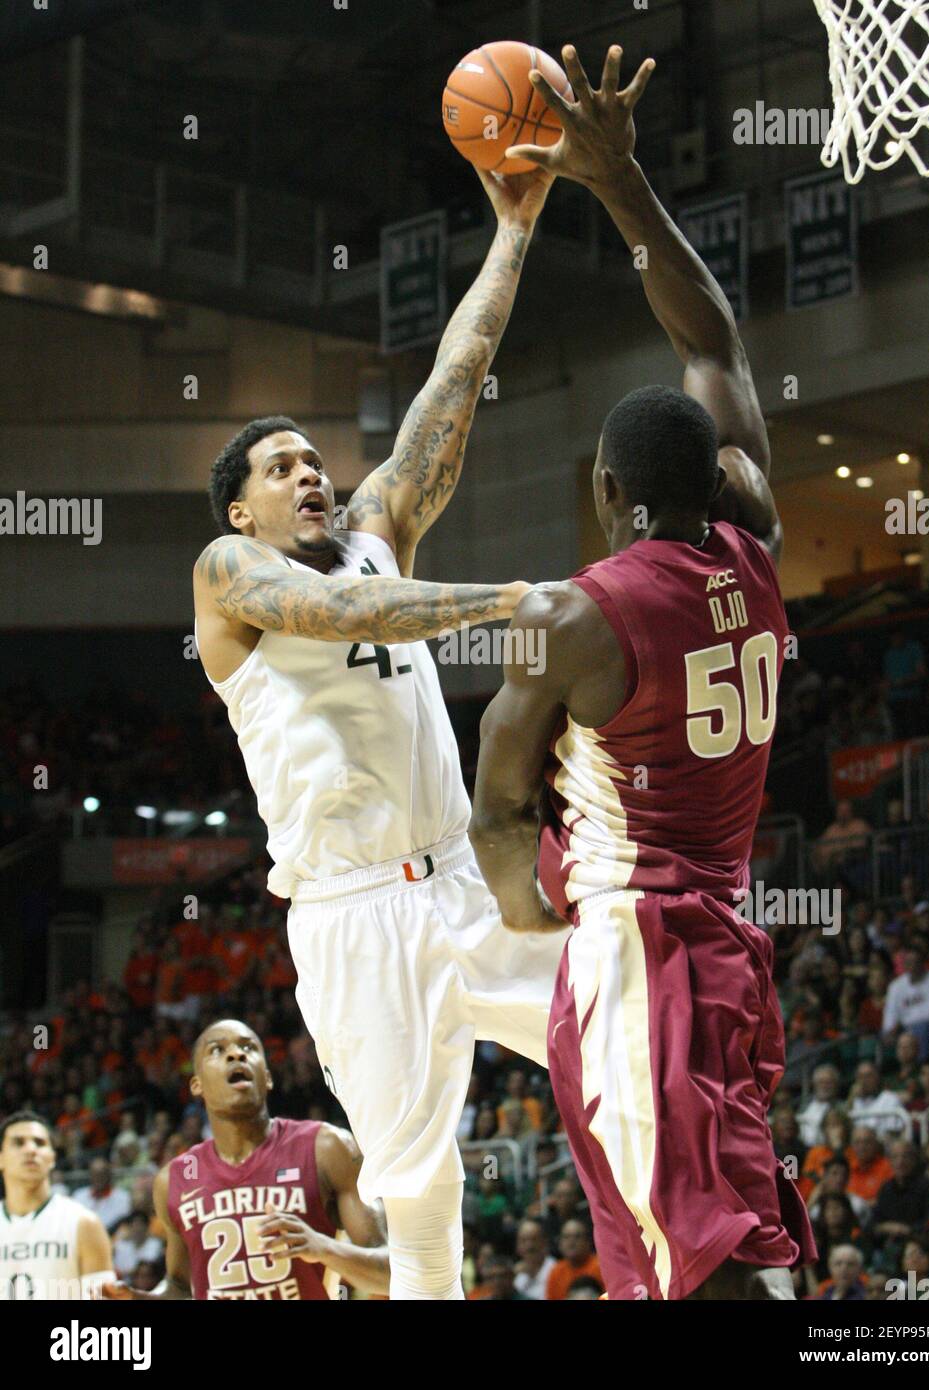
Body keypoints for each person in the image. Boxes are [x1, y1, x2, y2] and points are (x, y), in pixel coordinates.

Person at [192, 159, 571, 1301]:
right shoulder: (227, 574)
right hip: (352, 917)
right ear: (241, 508)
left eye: (314, 458)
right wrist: (498, 603)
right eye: (280, 466)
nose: (310, 472)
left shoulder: (374, 526)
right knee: (421, 1193)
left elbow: (455, 379)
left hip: (464, 878)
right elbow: (347, 612)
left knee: (619, 1021)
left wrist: (513, 227)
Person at [469, 43, 813, 1301]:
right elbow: (711, 334)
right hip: (726, 941)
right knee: (693, 1258)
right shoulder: (761, 542)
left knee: (697, 1272)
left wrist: (539, 899)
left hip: (635, 955)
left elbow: (496, 820)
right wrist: (622, 185)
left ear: (608, 494)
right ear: (719, 477)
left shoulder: (574, 617)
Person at [105, 1020, 388, 1300]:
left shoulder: (327, 1148)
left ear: (266, 1076)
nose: (236, 1054)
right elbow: (179, 1288)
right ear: (196, 1084)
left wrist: (322, 1248)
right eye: (216, 1050)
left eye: (248, 1047)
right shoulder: (173, 1180)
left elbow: (394, 1272)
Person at [0, 1111, 113, 1299]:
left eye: (40, 1142)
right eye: (18, 1142)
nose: (30, 1149)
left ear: (52, 1158)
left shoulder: (83, 1223)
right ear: (1, 1158)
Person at [546, 1219, 605, 1300]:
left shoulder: (602, 1267)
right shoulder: (556, 1271)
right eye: (566, 1237)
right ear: (560, 1243)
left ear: (588, 1242)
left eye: (577, 1237)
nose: (571, 1242)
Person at [513, 1217, 556, 1300]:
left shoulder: (556, 1270)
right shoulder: (517, 1277)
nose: (529, 1246)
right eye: (523, 1240)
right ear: (517, 1246)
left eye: (534, 1239)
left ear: (545, 1242)